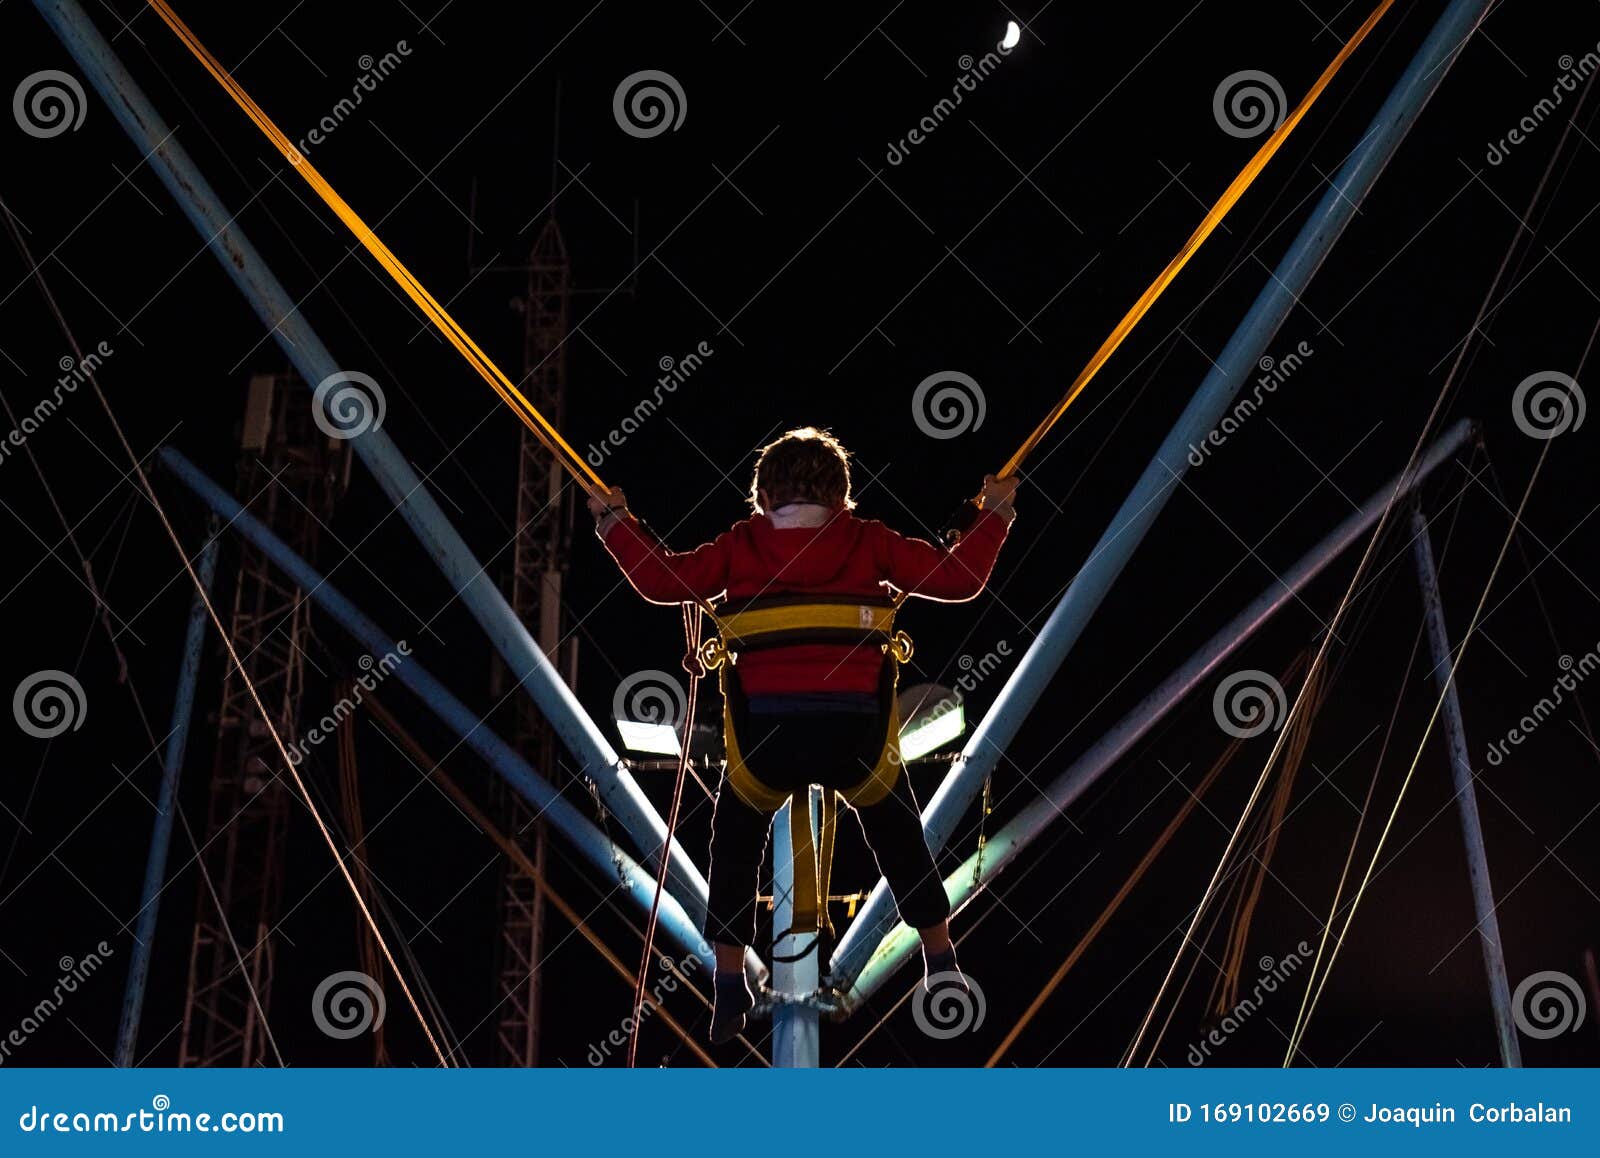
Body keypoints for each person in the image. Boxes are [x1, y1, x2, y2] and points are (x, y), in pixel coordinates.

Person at [589, 427, 1018, 1044]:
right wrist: (995, 514)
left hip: (766, 743)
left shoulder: (741, 546)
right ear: (844, 496)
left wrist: (614, 523)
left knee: (733, 842)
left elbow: (665, 581)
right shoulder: (867, 541)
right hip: (857, 743)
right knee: (899, 833)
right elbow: (959, 579)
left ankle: (730, 978)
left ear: (762, 496)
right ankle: (940, 952)